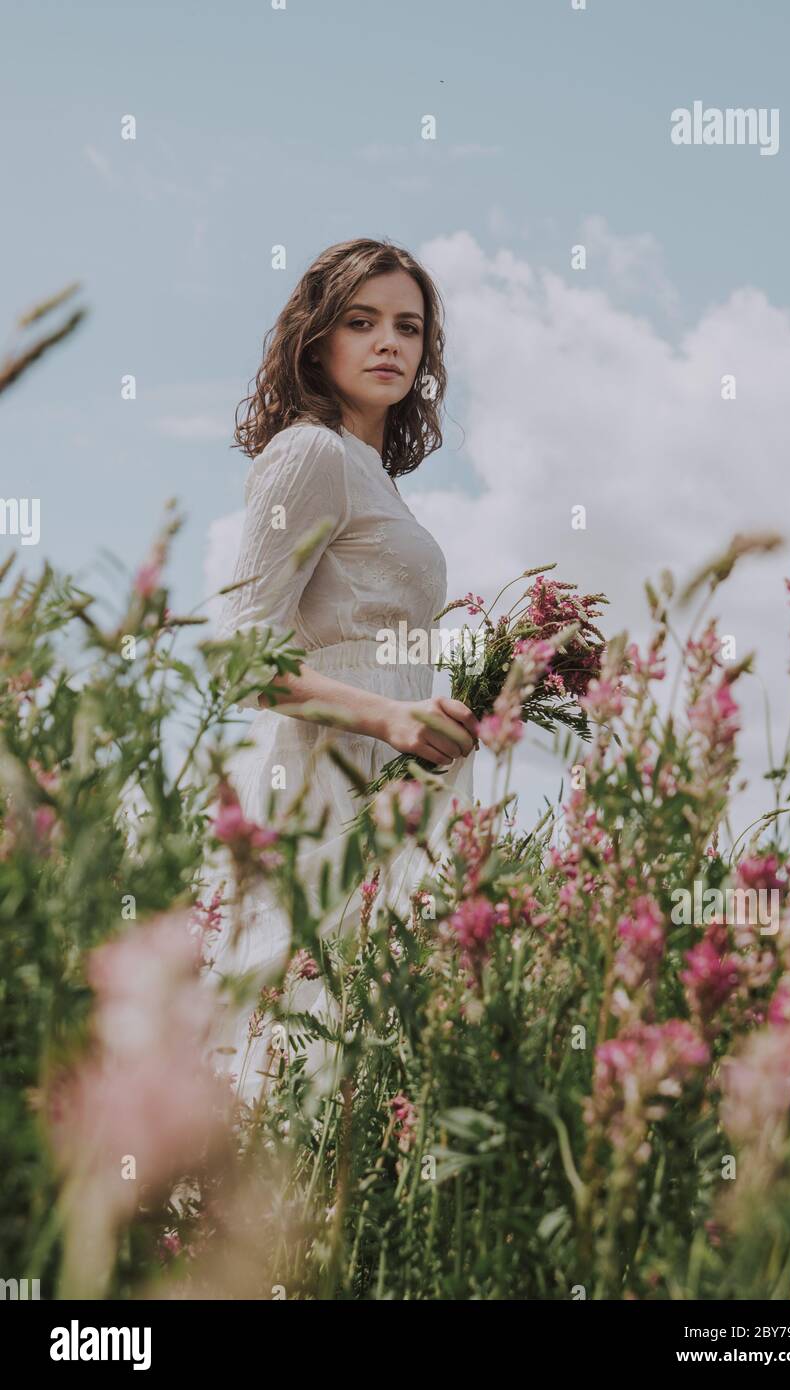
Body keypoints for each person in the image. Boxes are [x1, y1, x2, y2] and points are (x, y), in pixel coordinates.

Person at [203, 238, 480, 1106]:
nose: (388, 343)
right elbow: (241, 655)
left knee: (387, 1050)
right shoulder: (309, 453)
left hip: (400, 780)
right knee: (302, 1034)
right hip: (323, 776)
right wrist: (387, 718)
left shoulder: (378, 478)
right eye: (360, 323)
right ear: (315, 340)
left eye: (407, 326)